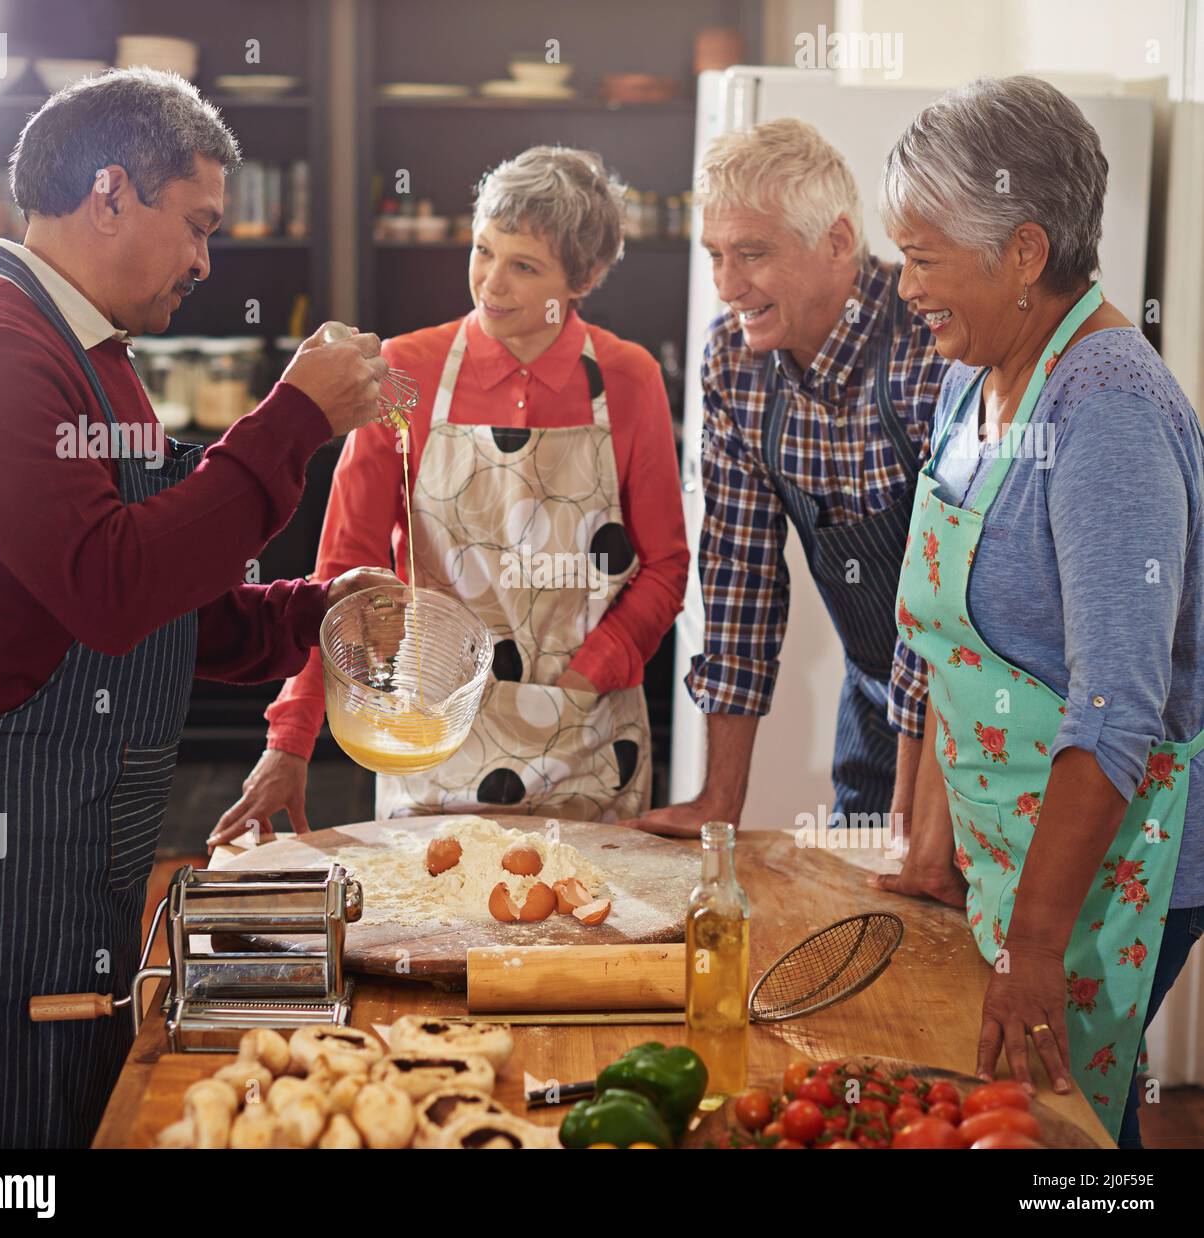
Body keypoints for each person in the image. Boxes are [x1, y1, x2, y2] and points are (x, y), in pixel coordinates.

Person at [0, 69, 392, 1148]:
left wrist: (314, 613)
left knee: (74, 1103)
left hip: (76, 844)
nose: (206, 260)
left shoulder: (95, 357)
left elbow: (173, 605)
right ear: (112, 193)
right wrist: (293, 419)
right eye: (199, 225)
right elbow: (112, 584)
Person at [872, 75, 1204, 1146]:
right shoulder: (967, 380)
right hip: (999, 853)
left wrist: (1033, 942)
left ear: (1022, 253)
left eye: (923, 258)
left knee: (1058, 1131)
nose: (903, 284)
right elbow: (935, 640)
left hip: (1107, 869)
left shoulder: (1105, 408)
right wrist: (928, 844)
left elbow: (1114, 708)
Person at [209, 146, 687, 840]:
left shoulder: (628, 378)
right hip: (433, 738)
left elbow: (666, 565)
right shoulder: (405, 373)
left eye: (524, 267)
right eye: (483, 250)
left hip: (590, 742)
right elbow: (344, 572)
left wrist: (590, 674)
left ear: (581, 279)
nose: (491, 282)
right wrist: (290, 740)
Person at [629, 120, 946, 837]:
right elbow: (741, 577)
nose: (727, 285)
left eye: (752, 253)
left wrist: (911, 817)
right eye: (714, 255)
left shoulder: (928, 346)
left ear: (837, 242)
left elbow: (947, 601)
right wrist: (719, 805)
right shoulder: (734, 364)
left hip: (977, 717)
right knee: (864, 918)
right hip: (873, 695)